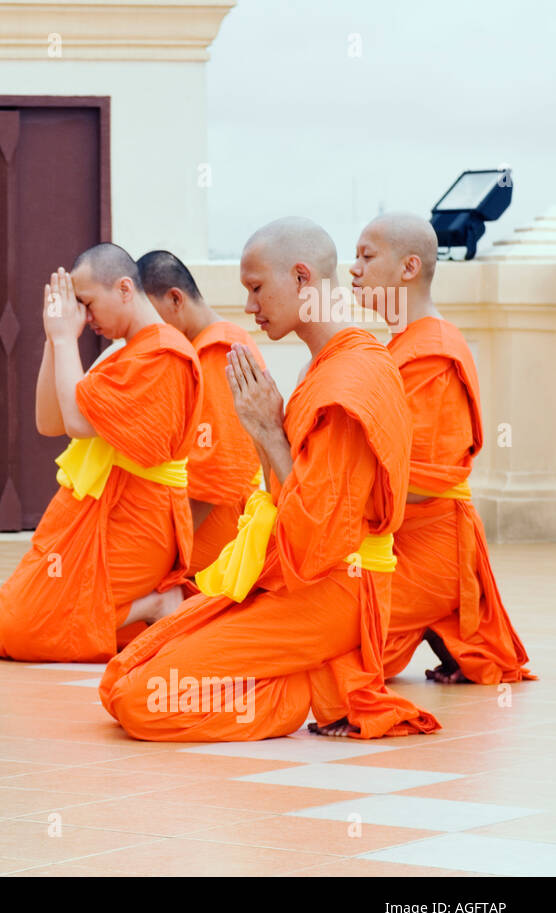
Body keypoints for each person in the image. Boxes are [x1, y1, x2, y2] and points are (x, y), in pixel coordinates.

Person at [99, 217, 439, 740]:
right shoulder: (323, 367)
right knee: (127, 668)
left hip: (333, 590)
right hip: (296, 576)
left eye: (257, 288)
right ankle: (317, 676)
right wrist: (262, 432)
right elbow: (287, 498)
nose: (250, 307)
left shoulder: (353, 377)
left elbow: (320, 538)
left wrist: (270, 434)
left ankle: (303, 691)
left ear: (302, 279)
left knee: (143, 701)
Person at [0, 243, 202, 662]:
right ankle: (134, 615)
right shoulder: (121, 355)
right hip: (97, 510)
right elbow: (51, 421)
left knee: (24, 628)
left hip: (136, 519)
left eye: (88, 303)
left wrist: (65, 341)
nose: (84, 316)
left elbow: (78, 421)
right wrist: (53, 338)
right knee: (1, 626)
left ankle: (154, 605)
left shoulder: (163, 353)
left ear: (123, 289)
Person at [351, 212, 533, 684]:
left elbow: (419, 480)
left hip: (426, 544)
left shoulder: (433, 352)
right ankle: (440, 625)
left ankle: (442, 609)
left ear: (409, 268)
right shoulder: (401, 347)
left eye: (367, 256)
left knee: (339, 642)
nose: (354, 269)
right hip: (389, 538)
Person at [140, 249, 267, 573]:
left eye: (152, 318)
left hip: (208, 536)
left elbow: (215, 477)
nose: (149, 332)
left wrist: (170, 551)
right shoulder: (201, 348)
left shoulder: (217, 351)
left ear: (175, 299)